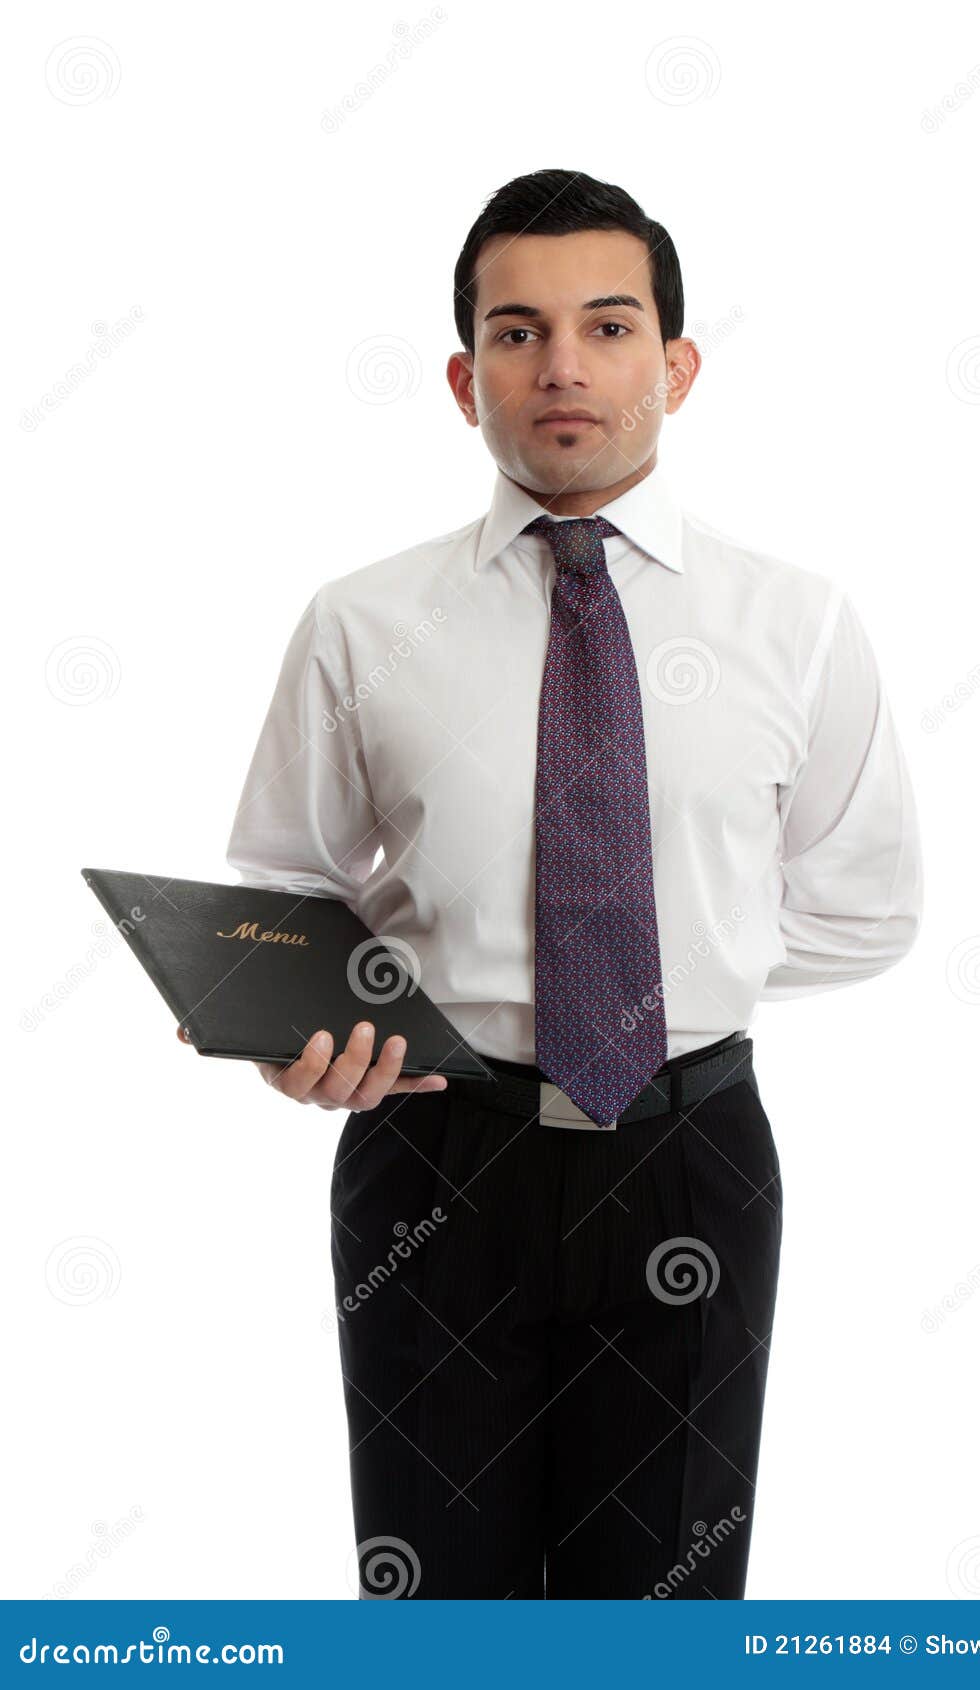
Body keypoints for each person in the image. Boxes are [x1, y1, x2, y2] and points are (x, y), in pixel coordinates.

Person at [190, 168, 923, 1598]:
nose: (564, 365)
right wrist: (302, 1028)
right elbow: (287, 879)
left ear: (677, 362)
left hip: (690, 1160)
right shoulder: (362, 621)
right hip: (431, 1157)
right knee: (435, 1603)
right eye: (517, 332)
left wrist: (665, 965)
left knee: (660, 1612)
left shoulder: (797, 621)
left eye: (608, 323)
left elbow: (866, 900)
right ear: (467, 377)